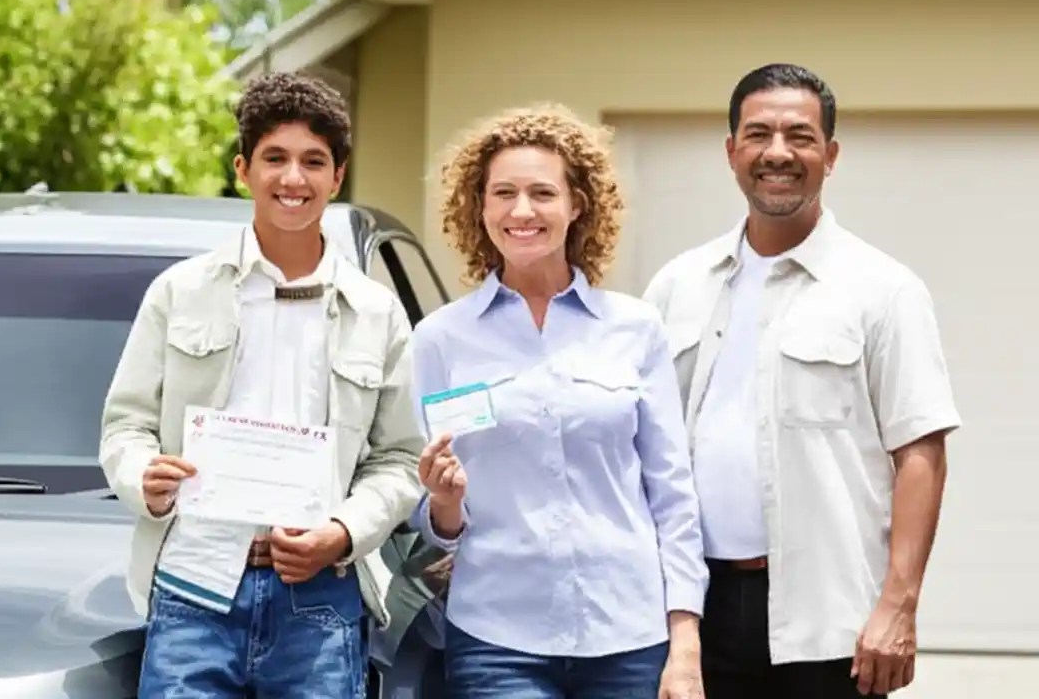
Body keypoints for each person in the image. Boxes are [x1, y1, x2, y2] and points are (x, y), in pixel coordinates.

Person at [98, 71, 425, 699]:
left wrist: (345, 532)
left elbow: (399, 458)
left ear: (338, 173)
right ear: (243, 169)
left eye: (313, 161)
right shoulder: (180, 291)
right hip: (195, 584)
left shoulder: (377, 312)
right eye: (275, 158)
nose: (293, 179)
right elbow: (126, 425)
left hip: (321, 598)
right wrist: (144, 477)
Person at [643, 63, 961, 699]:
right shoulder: (678, 285)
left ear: (831, 154)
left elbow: (920, 452)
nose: (778, 153)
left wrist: (898, 605)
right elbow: (638, 447)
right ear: (731, 151)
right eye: (758, 134)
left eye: (800, 135)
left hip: (829, 619)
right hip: (690, 611)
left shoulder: (883, 289)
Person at [409, 104, 708, 699]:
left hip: (629, 634)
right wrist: (442, 504)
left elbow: (671, 494)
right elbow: (428, 516)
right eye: (504, 194)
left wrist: (685, 642)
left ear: (578, 205)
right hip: (496, 637)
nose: (523, 211)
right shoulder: (440, 339)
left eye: (543, 192)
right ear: (481, 208)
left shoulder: (636, 328)